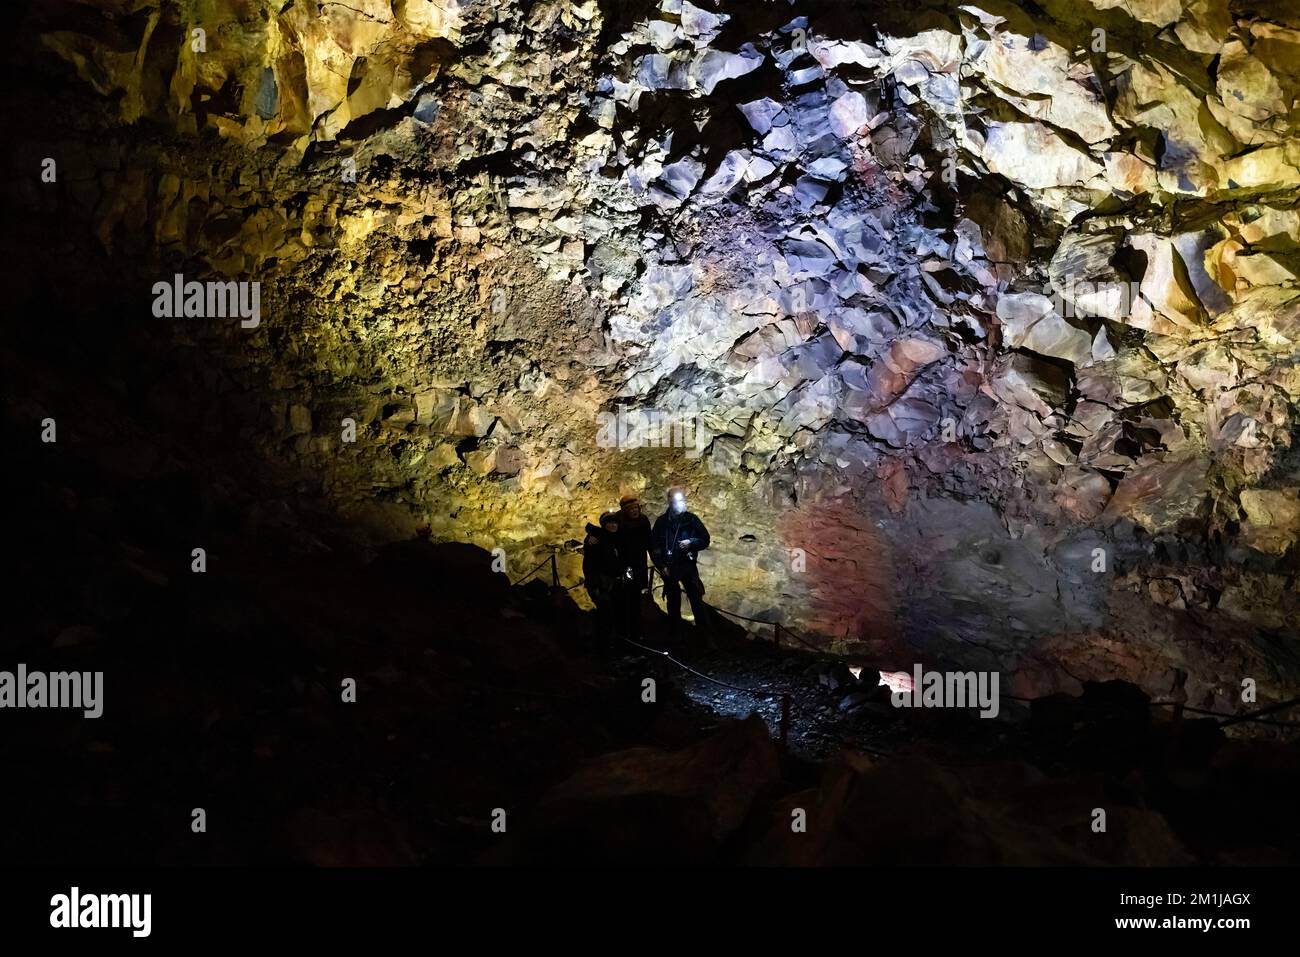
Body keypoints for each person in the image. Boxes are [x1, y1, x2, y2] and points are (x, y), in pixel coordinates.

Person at [650, 486, 712, 637]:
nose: (678, 503)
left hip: (687, 566)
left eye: (680, 500)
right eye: (674, 500)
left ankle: (704, 634)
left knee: (696, 599)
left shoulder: (691, 519)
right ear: (669, 501)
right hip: (669, 568)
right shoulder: (662, 522)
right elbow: (654, 546)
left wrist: (691, 542)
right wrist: (661, 565)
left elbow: (705, 539)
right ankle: (675, 633)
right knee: (673, 601)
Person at [583, 510, 625, 652]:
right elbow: (589, 563)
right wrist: (594, 583)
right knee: (605, 615)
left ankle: (612, 644)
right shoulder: (596, 539)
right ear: (604, 525)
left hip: (613, 583)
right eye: (609, 523)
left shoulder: (616, 539)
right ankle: (603, 647)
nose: (613, 525)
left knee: (613, 614)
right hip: (601, 585)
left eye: (615, 522)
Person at [615, 494, 652, 639]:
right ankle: (624, 631)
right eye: (631, 509)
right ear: (625, 511)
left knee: (636, 598)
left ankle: (637, 630)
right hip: (624, 565)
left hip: (639, 564)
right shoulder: (618, 520)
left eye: (636, 508)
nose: (634, 511)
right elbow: (605, 533)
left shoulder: (643, 520)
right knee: (623, 598)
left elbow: (649, 542)